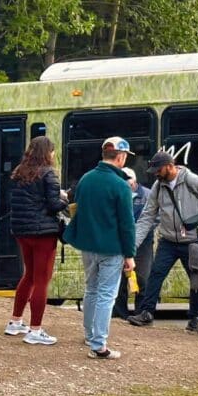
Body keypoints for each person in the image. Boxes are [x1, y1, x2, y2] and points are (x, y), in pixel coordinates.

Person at [130, 149, 198, 331]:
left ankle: (195, 318)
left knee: (196, 280)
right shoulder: (158, 187)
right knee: (155, 275)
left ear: (170, 166)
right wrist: (133, 244)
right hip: (167, 240)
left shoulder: (191, 180)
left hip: (191, 240)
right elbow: (147, 216)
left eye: (158, 170)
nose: (156, 175)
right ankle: (146, 313)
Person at [62, 136, 136, 360]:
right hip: (111, 248)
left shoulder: (86, 179)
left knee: (91, 289)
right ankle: (99, 344)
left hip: (87, 246)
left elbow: (76, 209)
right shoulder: (120, 185)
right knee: (106, 294)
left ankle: (89, 334)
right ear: (121, 157)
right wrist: (130, 254)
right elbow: (127, 224)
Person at [6, 137, 64, 346]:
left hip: (22, 231)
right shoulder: (49, 173)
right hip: (43, 233)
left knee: (29, 275)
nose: (54, 155)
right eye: (53, 151)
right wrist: (65, 197)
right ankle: (36, 329)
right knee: (42, 279)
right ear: (47, 152)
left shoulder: (19, 171)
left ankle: (15, 321)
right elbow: (55, 205)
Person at [115, 166, 153, 321]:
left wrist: (138, 233)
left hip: (143, 242)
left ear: (135, 179)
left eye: (128, 179)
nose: (126, 182)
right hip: (119, 240)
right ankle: (119, 314)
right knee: (119, 279)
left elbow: (154, 218)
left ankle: (140, 312)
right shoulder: (117, 193)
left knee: (143, 277)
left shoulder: (148, 195)